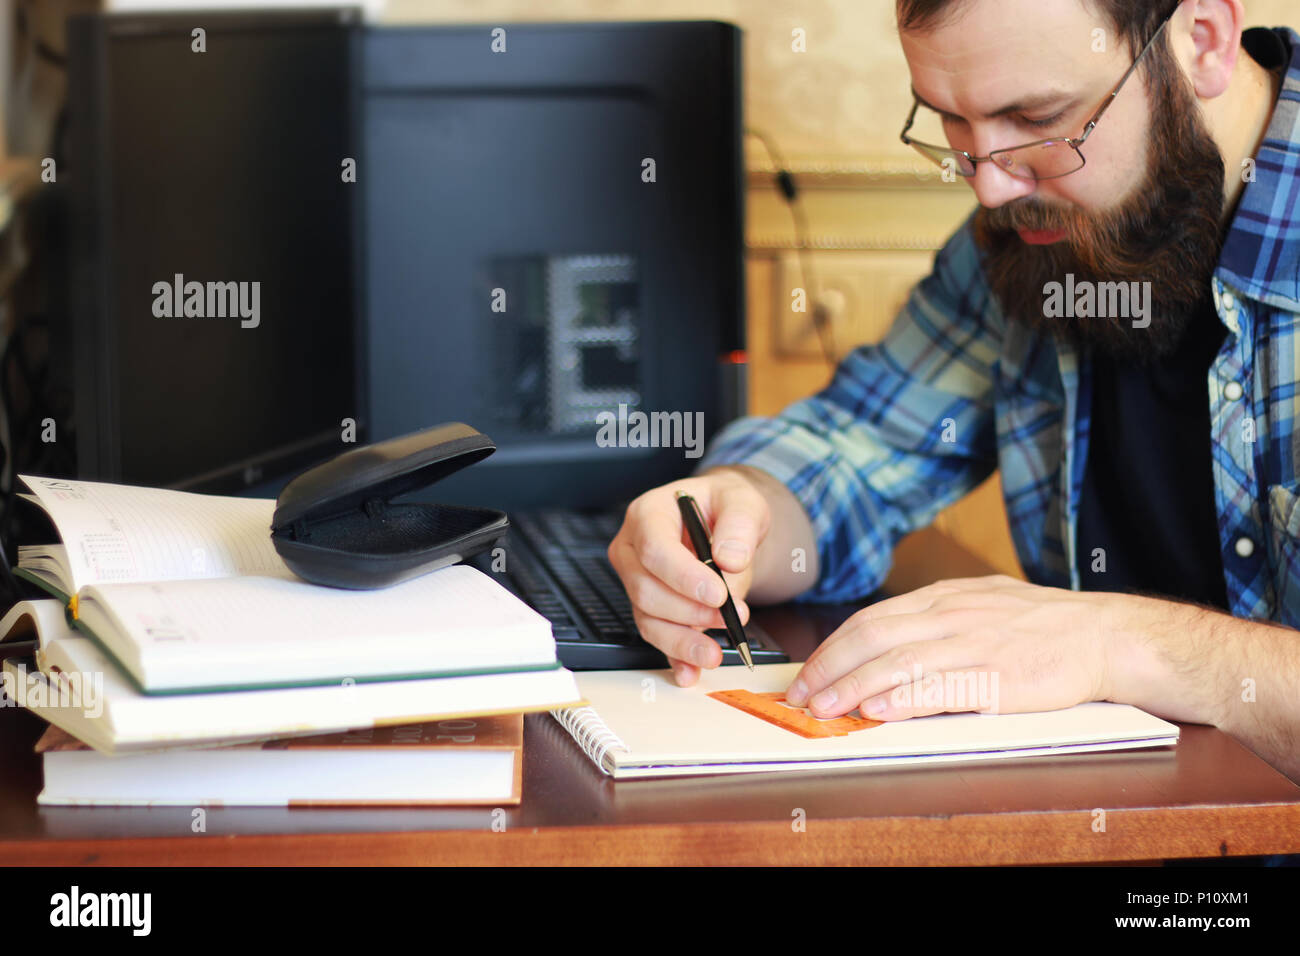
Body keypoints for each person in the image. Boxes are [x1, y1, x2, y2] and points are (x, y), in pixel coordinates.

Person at [606, 0, 1300, 782]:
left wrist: (1118, 643)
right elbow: (857, 449)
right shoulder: (1031, 236)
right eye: (952, 125)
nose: (991, 190)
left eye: (1038, 119)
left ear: (1202, 40)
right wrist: (735, 517)